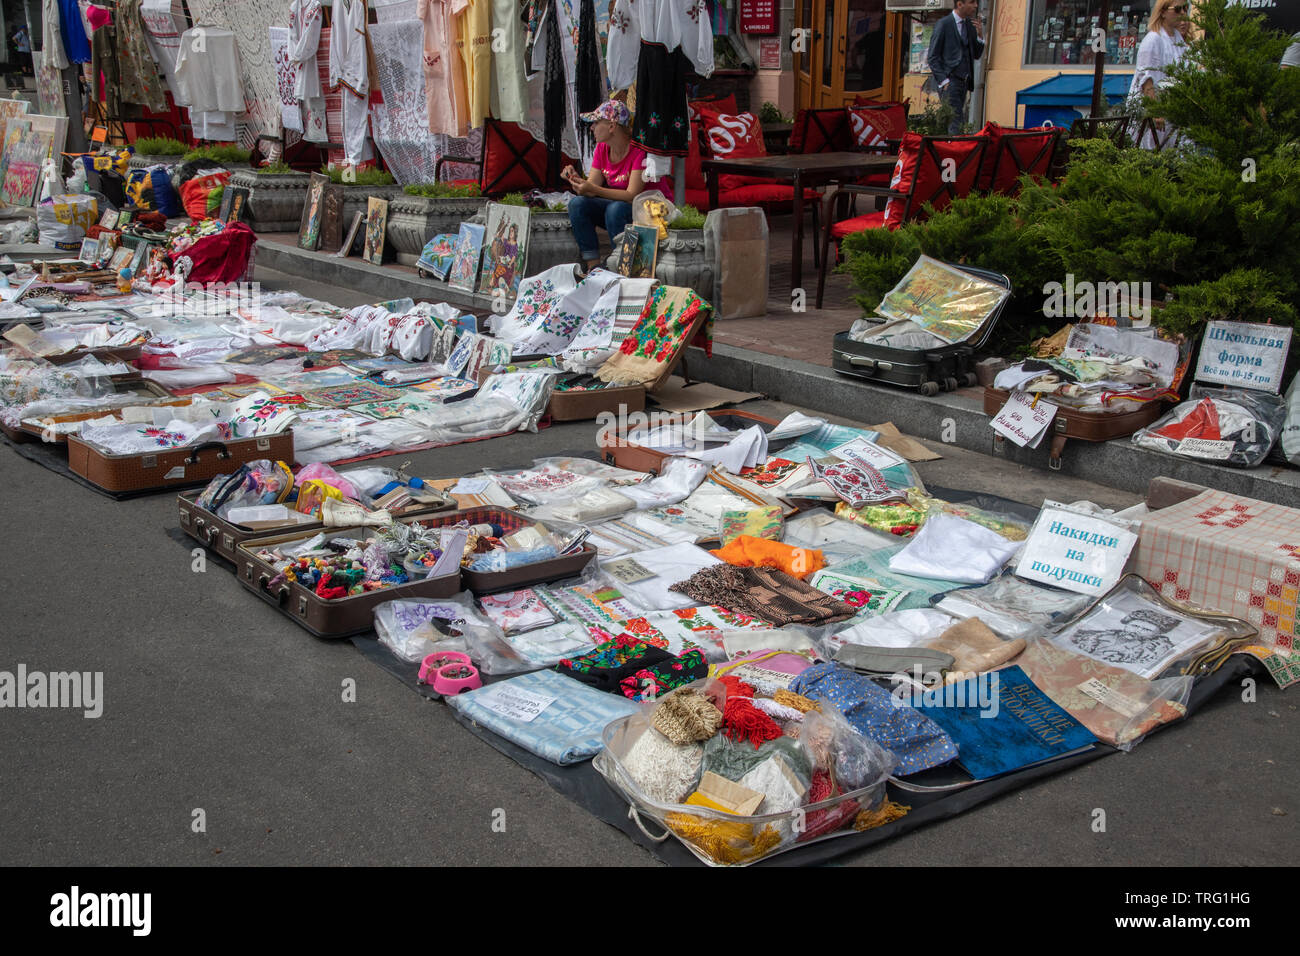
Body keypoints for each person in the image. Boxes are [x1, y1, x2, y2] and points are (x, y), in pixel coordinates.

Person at [563, 98, 663, 273]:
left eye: (596, 122)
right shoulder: (602, 148)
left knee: (615, 209)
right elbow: (591, 188)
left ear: (611, 126)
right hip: (619, 210)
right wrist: (577, 181)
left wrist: (592, 189)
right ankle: (593, 267)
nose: (592, 128)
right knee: (577, 204)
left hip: (647, 211)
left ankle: (624, 266)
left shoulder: (639, 150)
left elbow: (632, 195)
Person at [1128, 0, 1189, 149]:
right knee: (1149, 156)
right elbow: (1146, 80)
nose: (1183, 13)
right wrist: (1156, 111)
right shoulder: (1153, 39)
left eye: (1185, 8)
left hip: (1170, 111)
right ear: (1162, 12)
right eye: (1178, 9)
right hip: (1151, 112)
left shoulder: (1177, 38)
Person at [927, 0, 985, 135]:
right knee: (955, 120)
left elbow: (976, 54)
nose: (976, 6)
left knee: (958, 119)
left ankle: (954, 149)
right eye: (972, 2)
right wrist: (944, 81)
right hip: (950, 80)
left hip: (964, 81)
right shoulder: (944, 24)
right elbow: (932, 57)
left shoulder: (969, 25)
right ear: (960, 4)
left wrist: (980, 36)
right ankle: (954, 151)